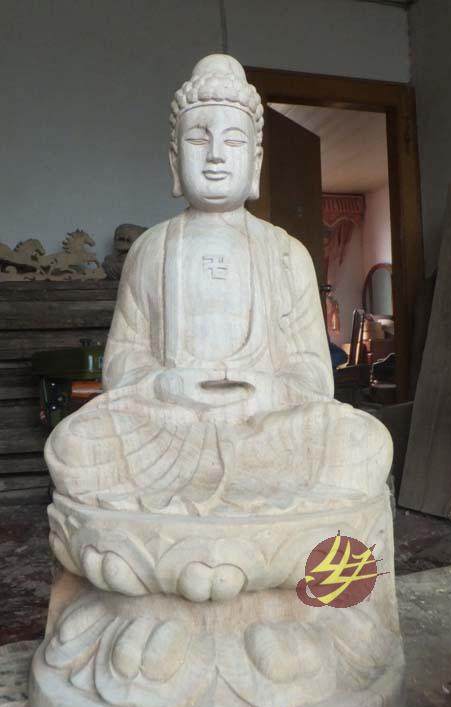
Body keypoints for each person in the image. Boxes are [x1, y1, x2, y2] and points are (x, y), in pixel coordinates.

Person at [45, 54, 391, 516]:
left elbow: (314, 375)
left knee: (364, 441)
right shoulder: (150, 250)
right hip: (169, 429)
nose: (214, 156)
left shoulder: (286, 253)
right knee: (74, 444)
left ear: (255, 161)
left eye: (233, 140)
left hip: (265, 428)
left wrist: (266, 391)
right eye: (197, 139)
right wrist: (166, 385)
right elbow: (122, 365)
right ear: (174, 160)